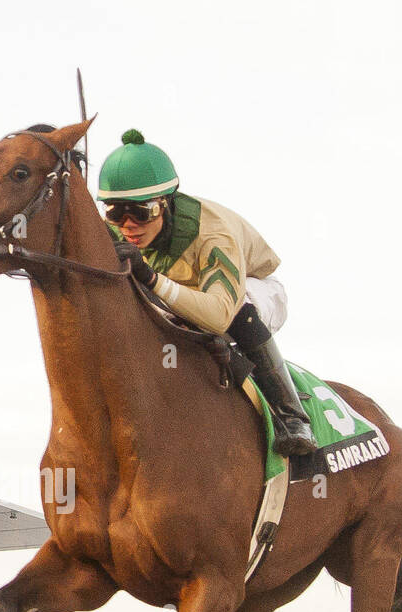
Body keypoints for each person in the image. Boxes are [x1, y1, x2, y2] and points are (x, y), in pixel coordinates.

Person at [98, 129, 316, 456]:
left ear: (165, 205)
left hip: (247, 294)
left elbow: (218, 315)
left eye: (140, 213)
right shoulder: (122, 229)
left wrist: (152, 279)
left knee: (238, 311)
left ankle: (291, 416)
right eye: (115, 213)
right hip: (181, 296)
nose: (128, 225)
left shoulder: (214, 237)